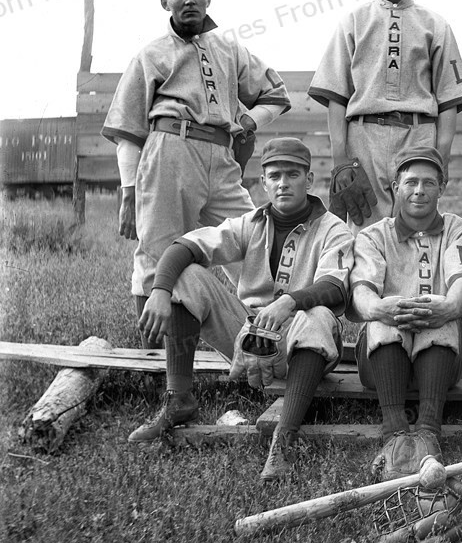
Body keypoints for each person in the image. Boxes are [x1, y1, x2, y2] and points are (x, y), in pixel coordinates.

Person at [131, 138, 353, 482]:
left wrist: (289, 301)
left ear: (309, 180)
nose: (283, 183)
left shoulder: (333, 228)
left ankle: (284, 438)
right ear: (262, 182)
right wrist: (160, 290)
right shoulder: (251, 223)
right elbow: (186, 246)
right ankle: (179, 398)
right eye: (274, 175)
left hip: (303, 343)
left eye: (293, 174)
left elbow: (335, 287)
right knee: (187, 276)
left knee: (319, 315)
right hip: (247, 337)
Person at [101, 0, 290, 347]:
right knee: (159, 245)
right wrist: (129, 190)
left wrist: (250, 122)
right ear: (164, 2)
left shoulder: (229, 47)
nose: (189, 0)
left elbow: (276, 94)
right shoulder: (150, 54)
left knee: (251, 238)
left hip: (221, 156)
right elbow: (128, 132)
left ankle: (267, 331)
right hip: (169, 150)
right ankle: (155, 350)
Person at [309, 0, 462, 234]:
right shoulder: (354, 20)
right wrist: (340, 159)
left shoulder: (435, 24)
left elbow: (449, 99)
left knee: (414, 231)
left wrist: (442, 157)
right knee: (364, 235)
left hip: (417, 134)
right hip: (365, 137)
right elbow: (336, 96)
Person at [350, 147, 462, 477]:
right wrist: (380, 307)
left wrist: (448, 307)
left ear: (443, 186)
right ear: (395, 187)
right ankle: (394, 432)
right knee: (381, 320)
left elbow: (460, 292)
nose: (419, 191)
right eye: (410, 183)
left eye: (428, 183)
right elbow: (362, 294)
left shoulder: (460, 230)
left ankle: (428, 432)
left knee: (442, 317)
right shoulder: (373, 235)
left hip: (444, 360)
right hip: (380, 361)